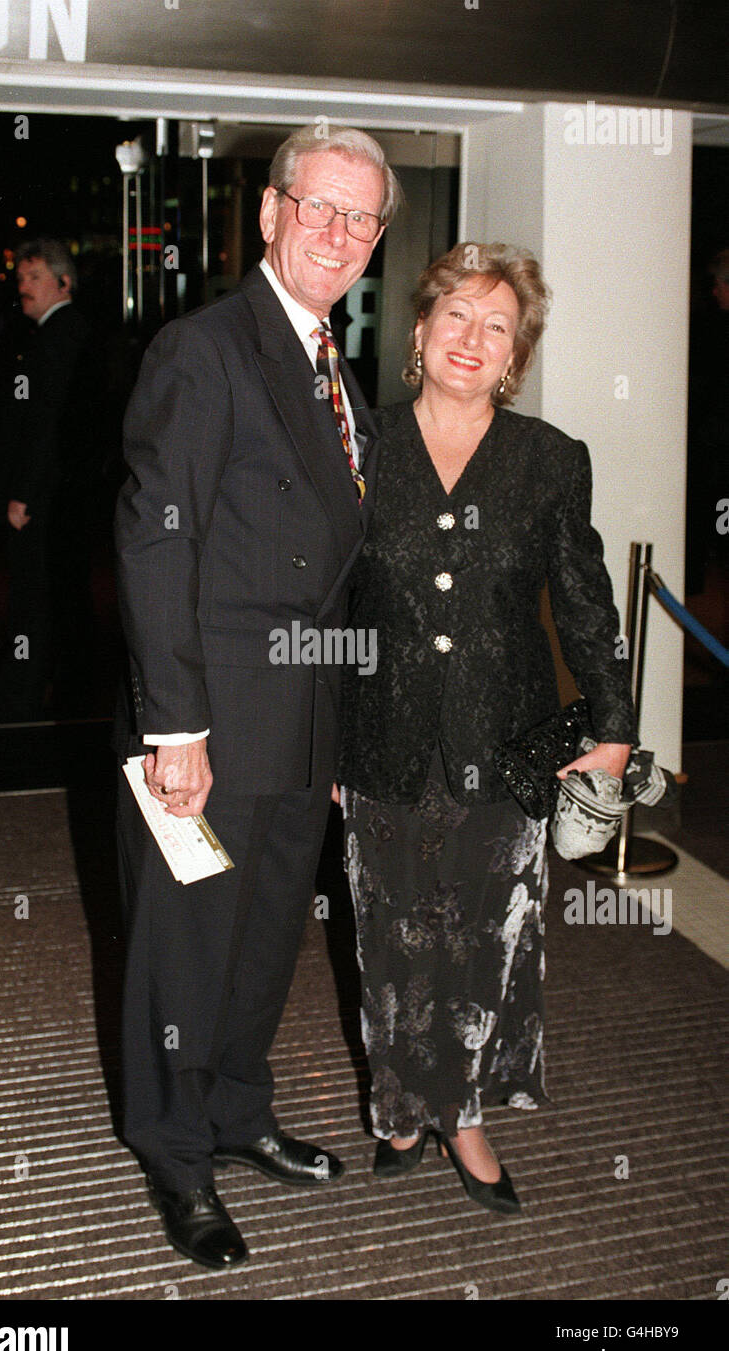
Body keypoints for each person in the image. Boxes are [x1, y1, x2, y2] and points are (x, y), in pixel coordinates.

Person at [114, 125, 400, 1269]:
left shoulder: (335, 366)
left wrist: (340, 725)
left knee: (267, 941)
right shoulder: (205, 347)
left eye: (360, 219)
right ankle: (175, 1154)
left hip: (300, 718)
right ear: (271, 213)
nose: (337, 235)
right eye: (317, 208)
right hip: (211, 725)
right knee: (181, 950)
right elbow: (152, 543)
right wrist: (173, 729)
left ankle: (236, 1111)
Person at [338, 243, 637, 1215]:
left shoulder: (548, 462)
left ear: (514, 355)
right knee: (387, 939)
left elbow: (586, 607)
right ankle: (396, 1105)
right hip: (377, 733)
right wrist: (318, 736)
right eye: (454, 316)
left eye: (495, 325)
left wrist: (612, 726)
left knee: (482, 943)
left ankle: (461, 1113)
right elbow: (321, 598)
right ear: (418, 333)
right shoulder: (355, 446)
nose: (471, 338)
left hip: (507, 742)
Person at [0, 238, 98, 720]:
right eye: (20, 278)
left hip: (45, 497)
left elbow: (44, 424)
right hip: (56, 494)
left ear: (63, 282)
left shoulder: (59, 336)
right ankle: (39, 693)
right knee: (48, 596)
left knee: (35, 598)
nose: (22, 288)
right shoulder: (59, 334)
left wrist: (23, 495)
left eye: (33, 278)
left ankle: (20, 699)